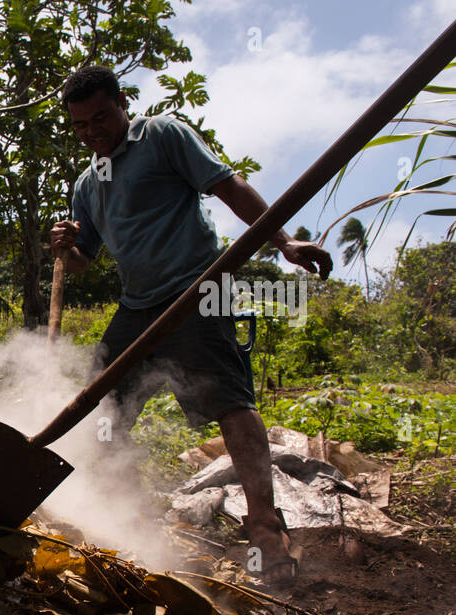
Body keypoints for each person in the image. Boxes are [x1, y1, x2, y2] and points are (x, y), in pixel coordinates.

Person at [49, 66, 333, 586]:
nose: (93, 132)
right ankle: (127, 523)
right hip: (138, 307)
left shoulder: (162, 135)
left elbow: (229, 186)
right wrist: (68, 245)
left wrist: (285, 243)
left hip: (198, 288)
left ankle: (267, 533)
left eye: (102, 118)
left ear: (121, 104)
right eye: (81, 126)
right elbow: (86, 258)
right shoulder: (87, 184)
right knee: (100, 408)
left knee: (230, 403)